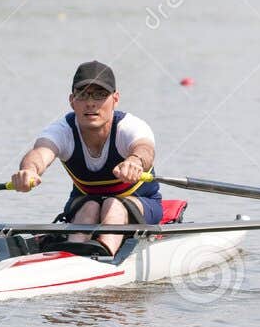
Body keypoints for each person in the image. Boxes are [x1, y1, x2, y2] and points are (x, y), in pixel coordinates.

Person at [9, 61, 161, 255]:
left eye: (100, 95)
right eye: (83, 94)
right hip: (85, 203)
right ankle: (73, 257)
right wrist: (29, 170)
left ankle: (103, 256)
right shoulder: (62, 130)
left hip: (141, 201)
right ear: (72, 100)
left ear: (115, 99)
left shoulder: (131, 127)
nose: (91, 103)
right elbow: (40, 153)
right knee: (89, 207)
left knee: (112, 205)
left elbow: (145, 149)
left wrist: (134, 161)